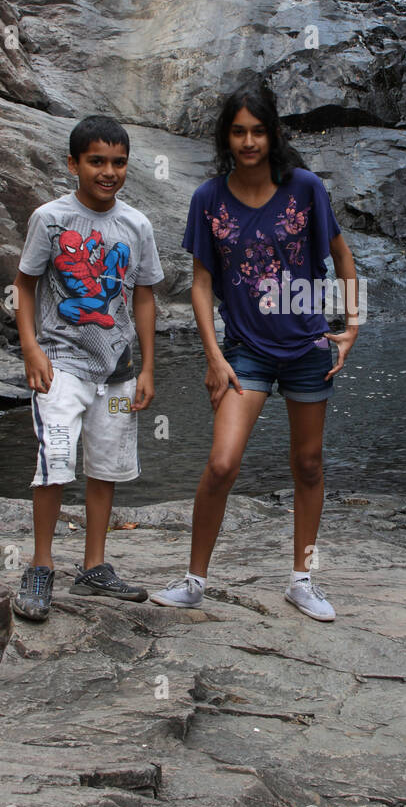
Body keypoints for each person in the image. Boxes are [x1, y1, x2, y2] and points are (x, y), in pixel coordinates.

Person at [151, 84, 359, 621]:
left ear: (274, 135)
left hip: (309, 345)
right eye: (239, 131)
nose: (249, 141)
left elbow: (341, 253)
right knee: (221, 463)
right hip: (245, 350)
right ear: (227, 136)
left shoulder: (306, 188)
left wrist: (353, 321)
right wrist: (214, 355)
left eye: (258, 131)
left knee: (308, 464)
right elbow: (200, 283)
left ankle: (302, 580)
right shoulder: (208, 200)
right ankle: (195, 580)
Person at [12, 115, 164, 621]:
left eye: (119, 163)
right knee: (56, 462)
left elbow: (144, 297)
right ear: (74, 164)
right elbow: (26, 284)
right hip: (61, 365)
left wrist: (146, 367)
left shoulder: (137, 225)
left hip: (118, 370)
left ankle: (94, 567)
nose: (109, 172)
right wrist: (31, 348)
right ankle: (40, 566)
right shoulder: (50, 219)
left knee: (107, 464)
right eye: (97, 161)